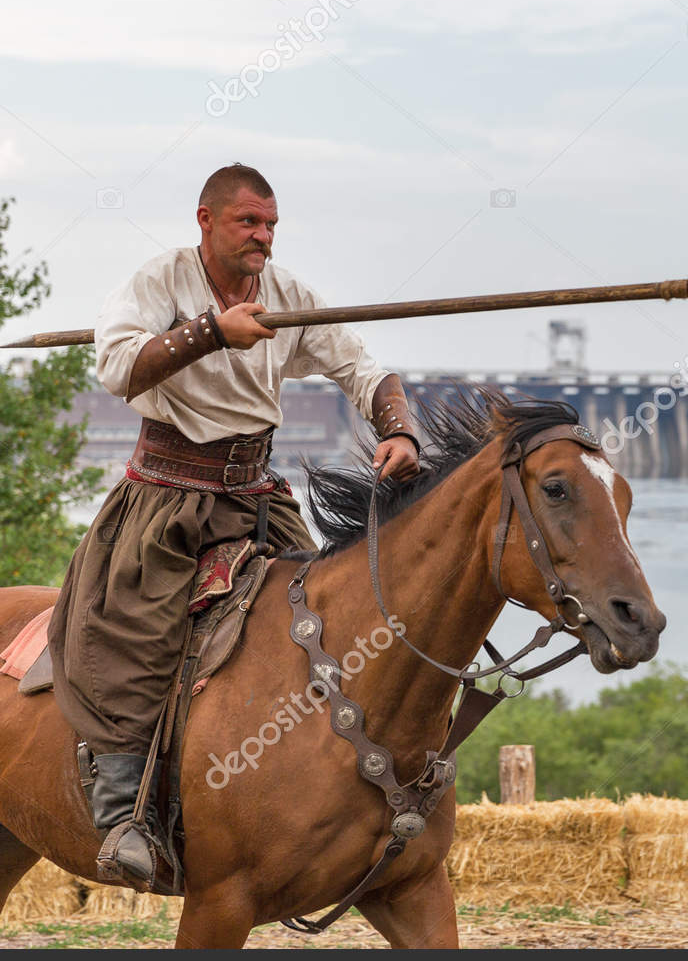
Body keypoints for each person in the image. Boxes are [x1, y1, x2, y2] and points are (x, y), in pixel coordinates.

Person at [47, 163, 420, 884]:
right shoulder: (158, 284)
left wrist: (397, 429)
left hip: (258, 495)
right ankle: (123, 816)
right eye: (250, 223)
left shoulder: (289, 297)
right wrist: (211, 333)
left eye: (272, 224)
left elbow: (362, 368)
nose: (263, 237)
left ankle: (320, 793)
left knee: (325, 624)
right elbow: (120, 368)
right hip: (166, 500)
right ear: (206, 220)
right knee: (134, 635)